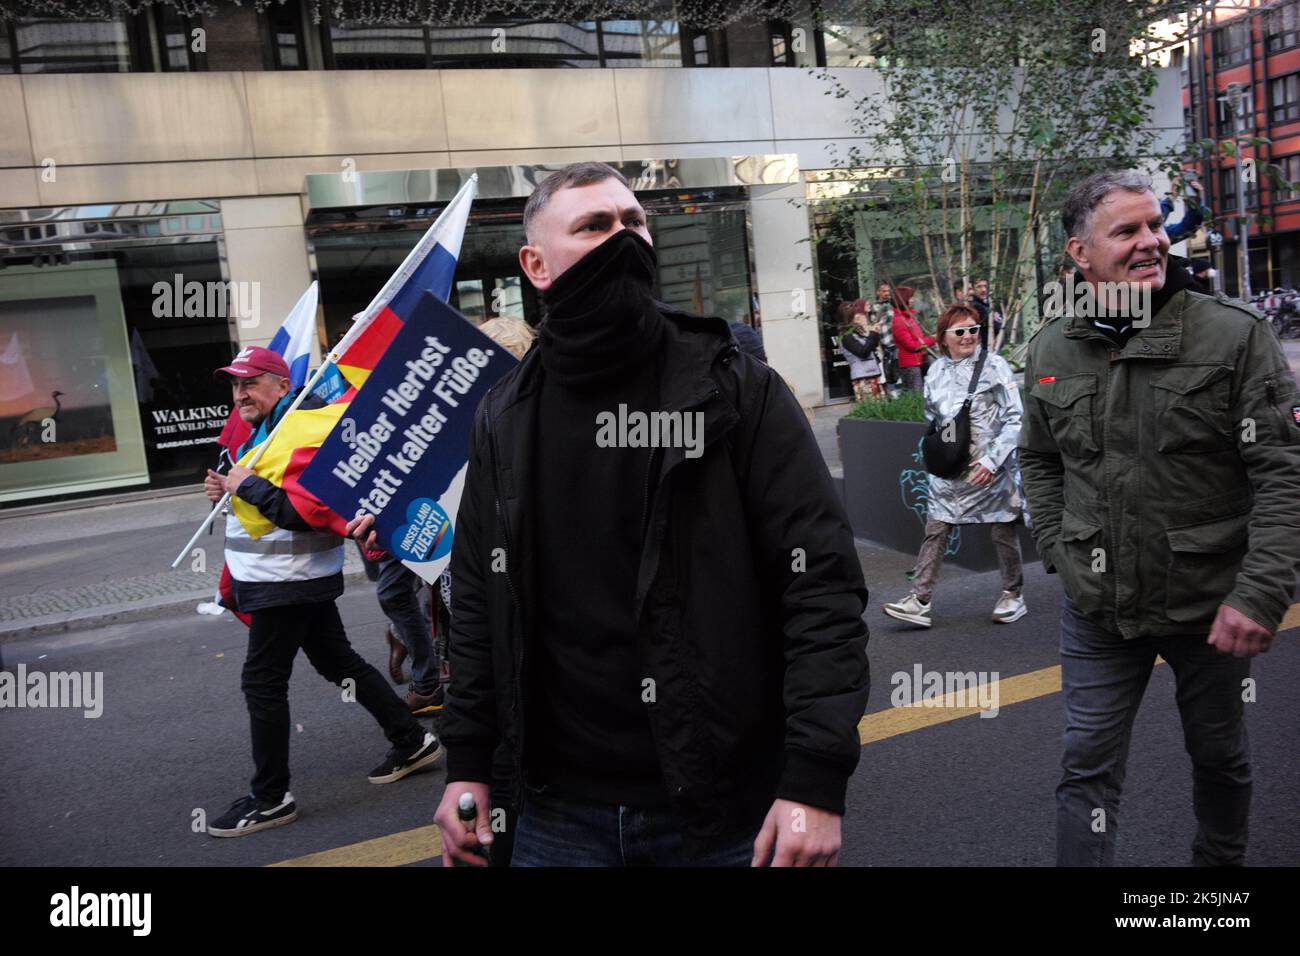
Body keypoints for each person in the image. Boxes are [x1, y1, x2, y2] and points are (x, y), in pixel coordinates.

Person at [427, 161, 870, 868]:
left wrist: (815, 780)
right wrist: (468, 765)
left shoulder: (734, 390)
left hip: (721, 812)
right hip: (555, 816)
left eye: (634, 222)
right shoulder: (505, 418)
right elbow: (480, 603)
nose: (624, 239)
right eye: (595, 227)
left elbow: (820, 587)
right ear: (535, 265)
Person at [1019, 169, 1300, 866]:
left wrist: (1261, 592)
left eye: (1155, 226)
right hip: (1097, 606)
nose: (1151, 242)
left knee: (1219, 755)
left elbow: (1283, 472)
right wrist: (1058, 545)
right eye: (1127, 231)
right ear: (1080, 253)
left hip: (1211, 604)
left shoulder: (1234, 337)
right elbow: (1041, 461)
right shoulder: (1051, 347)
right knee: (1085, 766)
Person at [202, 347, 441, 838]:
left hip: (287, 583)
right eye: (234, 385)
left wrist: (245, 487)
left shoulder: (305, 430)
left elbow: (309, 512)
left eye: (250, 383)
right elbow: (266, 501)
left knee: (263, 683)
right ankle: (412, 739)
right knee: (338, 663)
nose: (240, 393)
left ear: (282, 385)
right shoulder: (264, 433)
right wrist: (229, 486)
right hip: (287, 580)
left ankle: (271, 799)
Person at [882, 305, 1026, 628]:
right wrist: (945, 451)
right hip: (950, 470)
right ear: (944, 338)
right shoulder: (935, 371)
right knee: (936, 528)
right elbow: (933, 417)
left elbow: (1015, 418)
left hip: (990, 469)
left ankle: (1013, 594)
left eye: (974, 329)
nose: (968, 336)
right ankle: (919, 600)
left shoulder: (995, 366)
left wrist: (991, 459)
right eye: (959, 331)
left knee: (1002, 529)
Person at [890, 285, 935, 393]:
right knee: (916, 395)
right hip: (910, 365)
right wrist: (933, 339)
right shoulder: (899, 321)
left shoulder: (907, 318)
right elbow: (911, 345)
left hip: (918, 362)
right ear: (904, 300)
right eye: (910, 298)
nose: (913, 300)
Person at [839, 299, 884, 401]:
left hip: (872, 374)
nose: (859, 316)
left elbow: (872, 345)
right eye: (855, 314)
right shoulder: (846, 336)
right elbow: (862, 352)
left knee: (880, 409)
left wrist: (874, 332)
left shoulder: (857, 331)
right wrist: (872, 334)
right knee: (871, 410)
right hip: (863, 378)